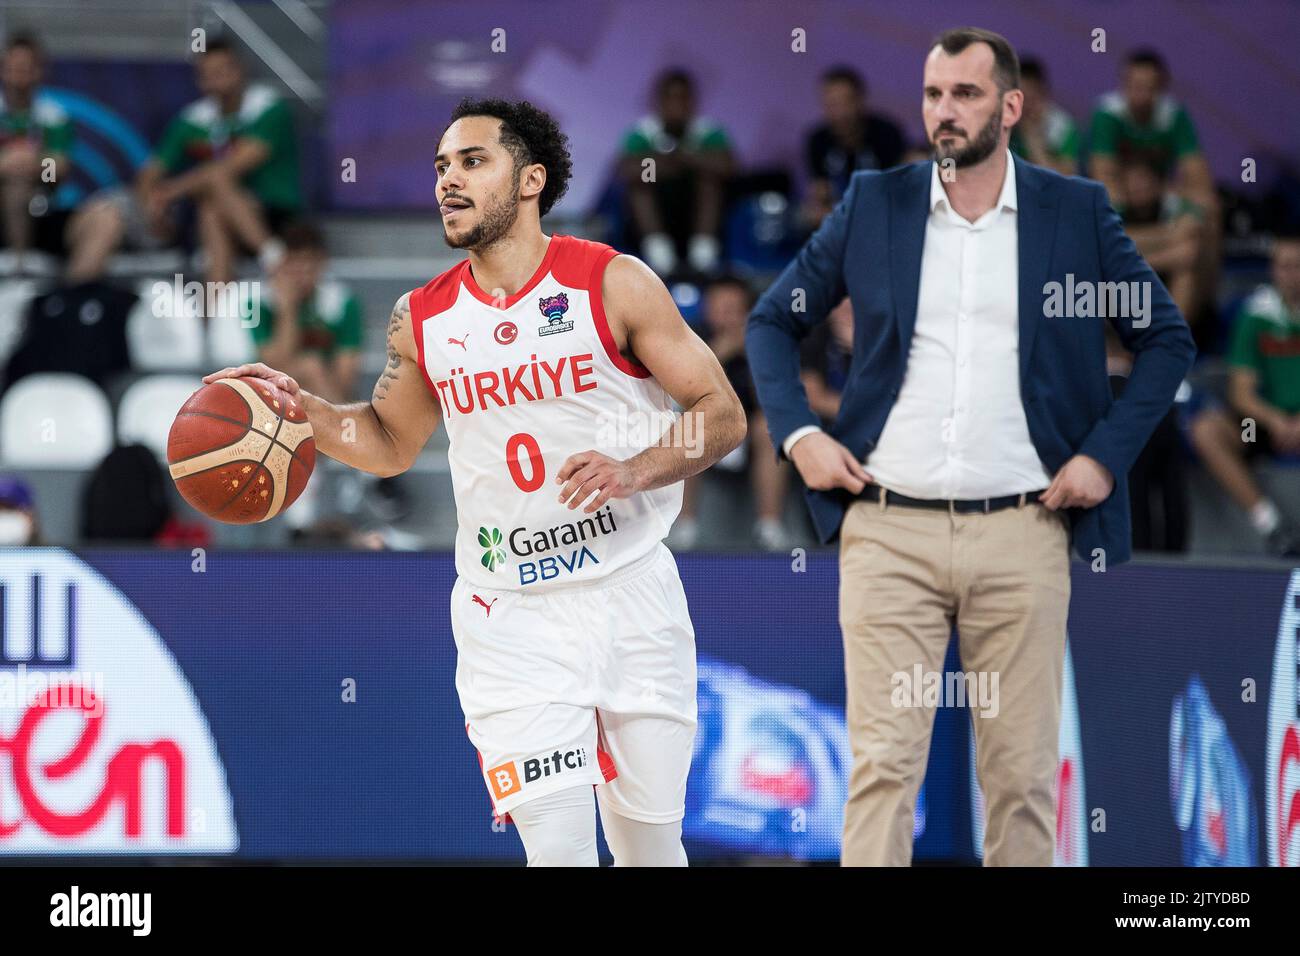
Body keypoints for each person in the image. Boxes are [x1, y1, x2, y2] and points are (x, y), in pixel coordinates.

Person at [204, 98, 746, 866]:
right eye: (440, 167)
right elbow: (389, 441)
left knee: (650, 849)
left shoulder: (613, 282)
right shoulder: (421, 316)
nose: (447, 181)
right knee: (558, 854)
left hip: (632, 594)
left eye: (471, 161)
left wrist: (636, 468)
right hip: (509, 613)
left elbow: (720, 413)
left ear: (531, 180)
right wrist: (308, 411)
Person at [746, 27, 1195, 866]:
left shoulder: (1074, 211)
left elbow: (1167, 340)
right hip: (887, 528)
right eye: (932, 94)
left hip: (1024, 529)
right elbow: (773, 320)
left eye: (966, 94)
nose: (944, 111)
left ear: (1011, 106)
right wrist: (800, 434)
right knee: (882, 770)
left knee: (1021, 779)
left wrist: (1103, 455)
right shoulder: (876, 200)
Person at [70, 38, 299, 286]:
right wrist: (151, 205)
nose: (218, 80)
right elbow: (150, 172)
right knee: (210, 208)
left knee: (217, 185)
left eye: (223, 71)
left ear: (240, 69)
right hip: (218, 216)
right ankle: (221, 300)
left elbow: (231, 167)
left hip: (272, 213)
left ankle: (273, 257)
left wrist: (169, 193)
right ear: (200, 79)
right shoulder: (194, 119)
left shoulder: (268, 108)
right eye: (209, 74)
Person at [1189, 232, 1300, 555]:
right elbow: (1241, 393)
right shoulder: (1257, 315)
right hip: (1262, 424)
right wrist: (1277, 421)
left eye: (1297, 266)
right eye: (1283, 266)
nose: (1290, 274)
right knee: (1206, 429)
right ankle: (1272, 525)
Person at [676, 274, 791, 551]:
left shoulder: (765, 337)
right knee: (688, 425)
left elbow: (777, 399)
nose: (726, 316)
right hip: (707, 426)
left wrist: (755, 354)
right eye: (719, 308)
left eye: (733, 309)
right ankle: (684, 526)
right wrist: (719, 353)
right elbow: (676, 393)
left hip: (752, 430)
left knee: (770, 428)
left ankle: (769, 527)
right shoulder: (687, 335)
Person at [619, 69, 735, 276]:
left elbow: (728, 167)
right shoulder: (643, 133)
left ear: (691, 102)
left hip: (697, 211)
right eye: (670, 98)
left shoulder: (707, 131)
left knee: (710, 180)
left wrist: (685, 158)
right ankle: (660, 259)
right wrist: (671, 164)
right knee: (641, 184)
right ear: (659, 102)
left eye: (682, 98)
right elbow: (627, 170)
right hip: (658, 210)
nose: (676, 105)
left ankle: (703, 259)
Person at [249, 221, 362, 404]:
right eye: (293, 262)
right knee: (310, 365)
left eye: (308, 262)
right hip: (270, 396)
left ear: (321, 263)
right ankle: (340, 420)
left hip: (324, 393)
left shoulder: (341, 303)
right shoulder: (257, 302)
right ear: (279, 264)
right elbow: (271, 366)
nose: (301, 272)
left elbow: (345, 378)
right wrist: (288, 309)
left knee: (312, 367)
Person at [0, 33, 73, 274]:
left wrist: (35, 163)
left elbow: (58, 169)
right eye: (12, 68)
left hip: (40, 196)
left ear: (38, 72)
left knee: (20, 184)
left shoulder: (53, 116)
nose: (18, 76)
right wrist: (6, 163)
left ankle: (18, 267)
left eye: (25, 69)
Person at [802, 66, 906, 227]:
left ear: (860, 100)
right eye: (832, 104)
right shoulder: (818, 141)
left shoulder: (887, 135)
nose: (841, 113)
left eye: (846, 102)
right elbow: (820, 194)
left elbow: (899, 193)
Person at [1008, 58, 1078, 176]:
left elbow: (1064, 178)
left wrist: (1033, 140)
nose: (1026, 107)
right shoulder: (1000, 123)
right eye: (1019, 99)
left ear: (1044, 94)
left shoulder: (1062, 127)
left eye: (1031, 99)